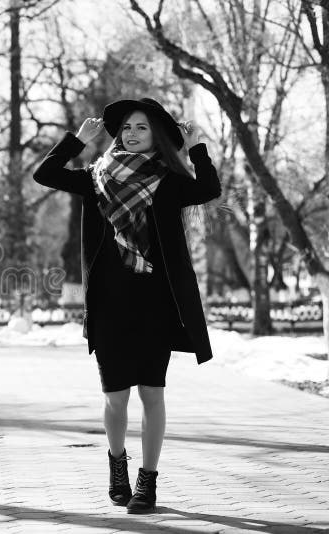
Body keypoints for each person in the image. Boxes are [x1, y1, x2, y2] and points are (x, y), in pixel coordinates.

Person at [33, 97, 221, 514]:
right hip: (109, 305)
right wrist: (76, 141)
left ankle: (147, 482)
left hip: (156, 303)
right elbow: (44, 173)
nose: (132, 133)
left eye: (142, 127)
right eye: (127, 127)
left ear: (156, 136)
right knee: (115, 397)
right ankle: (117, 463)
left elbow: (210, 188)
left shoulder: (169, 181)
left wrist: (196, 148)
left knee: (152, 392)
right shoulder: (95, 178)